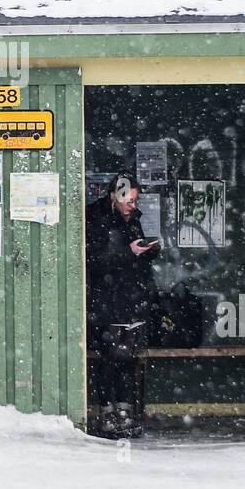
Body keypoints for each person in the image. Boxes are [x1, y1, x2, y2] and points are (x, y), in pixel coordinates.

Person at [85, 171, 160, 437]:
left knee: (127, 357)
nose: (133, 205)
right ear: (113, 197)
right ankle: (107, 411)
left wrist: (146, 253)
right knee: (110, 357)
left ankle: (125, 409)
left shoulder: (133, 219)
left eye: (136, 201)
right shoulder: (96, 219)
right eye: (129, 200)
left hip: (131, 296)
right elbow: (94, 261)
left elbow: (130, 255)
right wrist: (128, 253)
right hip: (107, 297)